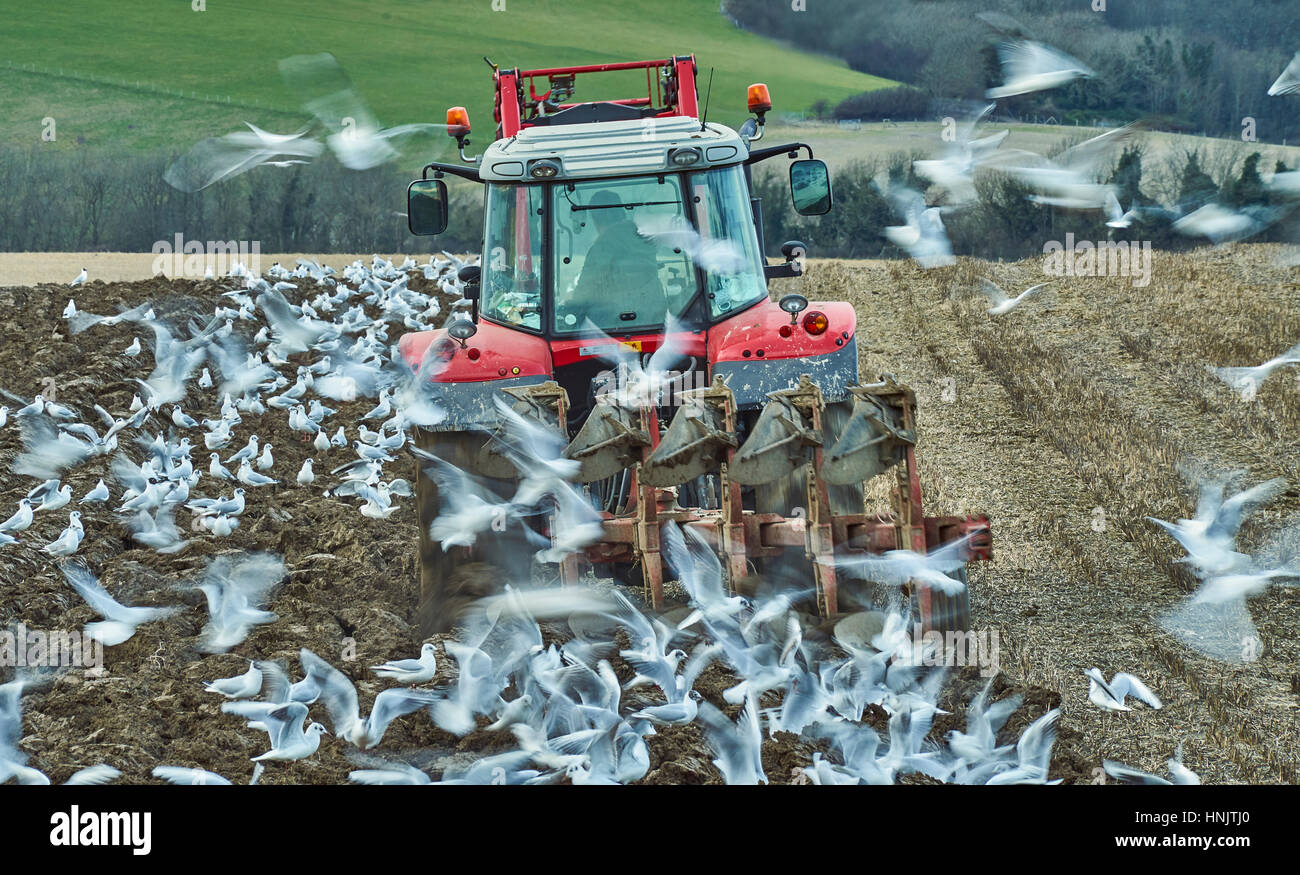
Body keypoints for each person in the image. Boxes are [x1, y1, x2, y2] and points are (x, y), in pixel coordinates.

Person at [563, 189, 665, 322]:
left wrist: (570, 304)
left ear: (594, 218)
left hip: (614, 322)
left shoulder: (603, 247)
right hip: (655, 318)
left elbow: (585, 291)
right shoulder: (642, 239)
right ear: (621, 212)